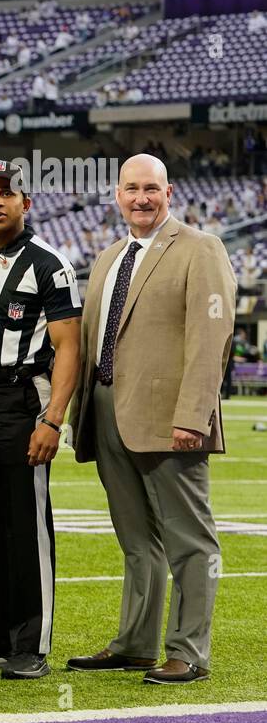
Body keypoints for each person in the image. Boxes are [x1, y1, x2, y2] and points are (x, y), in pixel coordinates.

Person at [66, 154, 236, 684]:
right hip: (106, 408)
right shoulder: (109, 256)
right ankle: (136, 643)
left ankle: (189, 650)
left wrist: (194, 414)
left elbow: (212, 339)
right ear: (117, 194)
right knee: (137, 541)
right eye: (131, 188)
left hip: (169, 417)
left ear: (169, 192)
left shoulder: (200, 248)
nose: (141, 198)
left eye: (151, 189)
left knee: (190, 540)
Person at [0, 159, 81, 680]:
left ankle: (32, 642)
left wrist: (52, 420)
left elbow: (69, 346)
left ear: (26, 203)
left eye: (8, 193)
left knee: (27, 525)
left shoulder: (50, 263)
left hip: (20, 397)